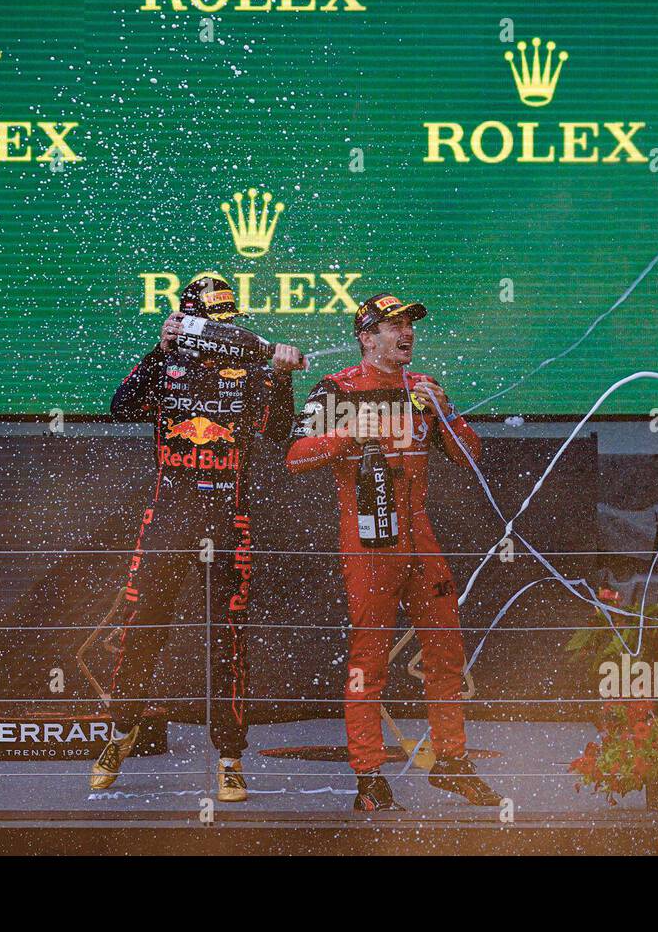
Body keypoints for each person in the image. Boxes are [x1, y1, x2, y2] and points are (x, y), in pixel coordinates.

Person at [90, 275, 304, 800]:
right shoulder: (165, 364)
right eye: (207, 326)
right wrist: (157, 351)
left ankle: (230, 757)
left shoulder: (252, 368)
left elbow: (278, 433)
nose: (218, 335)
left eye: (226, 324)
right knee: (143, 627)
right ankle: (121, 731)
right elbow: (121, 407)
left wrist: (279, 377)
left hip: (228, 519)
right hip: (169, 517)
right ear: (185, 324)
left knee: (228, 640)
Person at [286, 292, 501, 812]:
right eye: (392, 326)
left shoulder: (423, 391)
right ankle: (368, 778)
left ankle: (451, 762)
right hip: (367, 536)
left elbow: (471, 460)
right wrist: (345, 433)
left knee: (447, 650)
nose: (405, 334)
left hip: (419, 533)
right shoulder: (336, 388)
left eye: (408, 324)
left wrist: (448, 413)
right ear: (366, 337)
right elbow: (294, 456)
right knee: (369, 657)